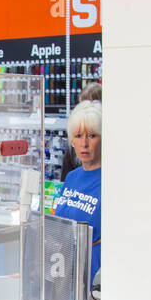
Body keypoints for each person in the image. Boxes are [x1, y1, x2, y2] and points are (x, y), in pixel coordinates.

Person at [53, 100, 102, 281]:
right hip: (65, 269)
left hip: (96, 274)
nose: (84, 143)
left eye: (92, 136)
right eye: (78, 135)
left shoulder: (111, 181)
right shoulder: (72, 177)